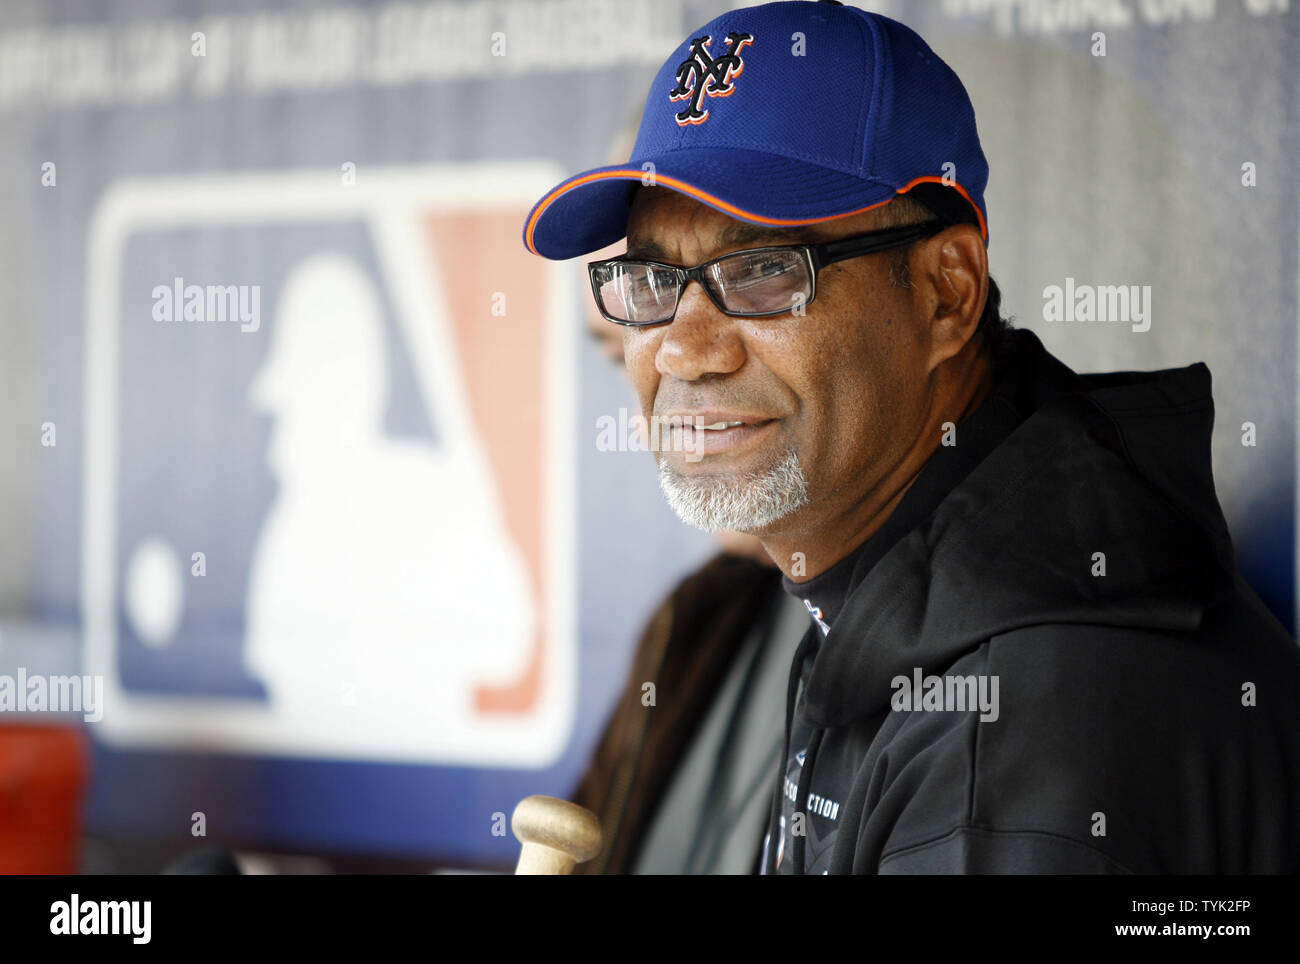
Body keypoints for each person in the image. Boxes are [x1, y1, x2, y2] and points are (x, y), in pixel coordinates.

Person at [523, 0, 1300, 873]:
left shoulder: (1016, 715)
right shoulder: (894, 592)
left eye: (766, 269)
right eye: (653, 280)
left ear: (946, 293)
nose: (683, 349)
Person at [573, 224, 811, 875]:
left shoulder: (968, 636)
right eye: (624, 341)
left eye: (751, 274)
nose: (679, 359)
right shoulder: (694, 616)